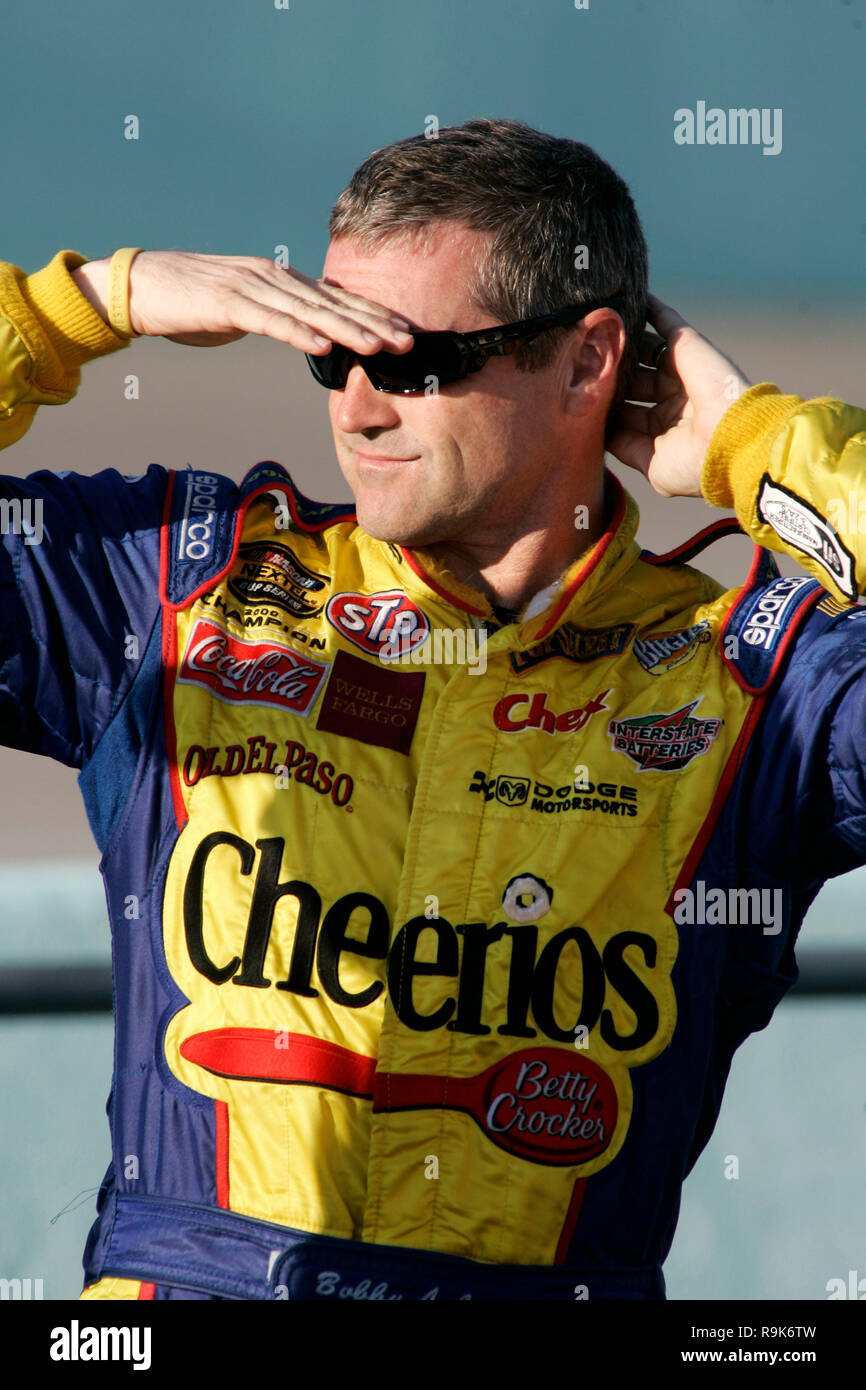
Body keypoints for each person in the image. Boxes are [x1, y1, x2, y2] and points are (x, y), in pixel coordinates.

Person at [1, 118, 864, 1302]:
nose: (354, 408)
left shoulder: (750, 683)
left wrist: (760, 444)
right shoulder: (177, 587)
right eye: (327, 354)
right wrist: (92, 304)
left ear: (585, 362)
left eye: (408, 362)